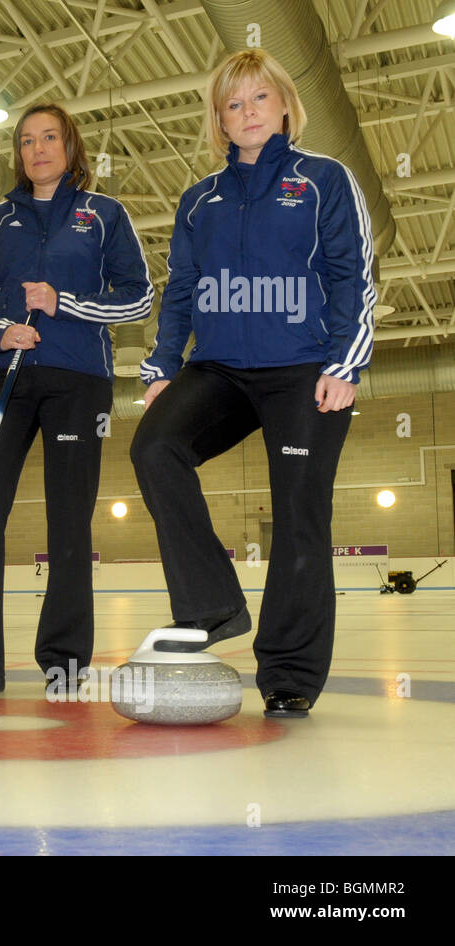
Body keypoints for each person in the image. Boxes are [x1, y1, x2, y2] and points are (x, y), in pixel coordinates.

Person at [132, 49, 373, 719]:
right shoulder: (199, 200)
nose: (247, 113)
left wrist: (345, 363)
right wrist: (161, 367)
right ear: (220, 119)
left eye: (259, 99)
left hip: (304, 370)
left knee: (299, 513)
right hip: (222, 370)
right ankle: (212, 607)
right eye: (233, 104)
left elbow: (354, 273)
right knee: (155, 448)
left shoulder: (323, 179)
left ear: (285, 104)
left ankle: (289, 674)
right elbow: (180, 289)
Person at [0, 103, 153, 696]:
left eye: (49, 137)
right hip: (6, 376)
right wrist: (0, 331)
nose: (37, 148)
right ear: (17, 154)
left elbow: (139, 299)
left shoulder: (105, 215)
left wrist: (62, 302)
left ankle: (66, 663)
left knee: (69, 519)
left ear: (71, 146)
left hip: (79, 381)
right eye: (25, 141)